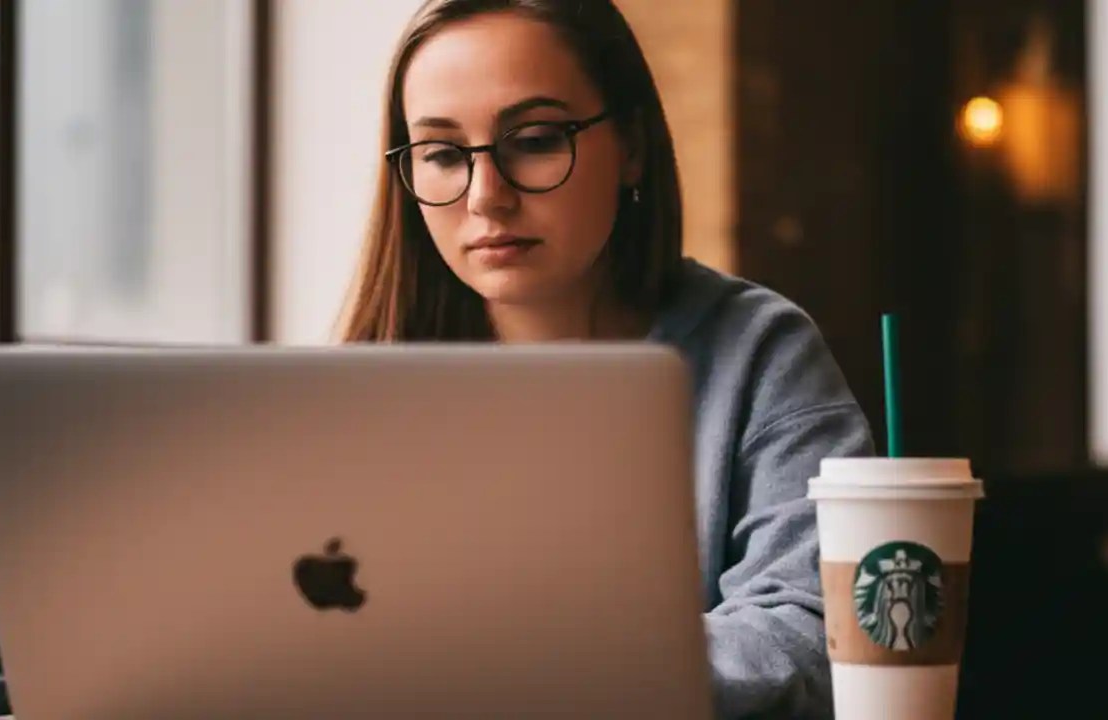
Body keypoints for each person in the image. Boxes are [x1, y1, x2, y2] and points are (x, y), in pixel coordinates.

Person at [338, 1, 875, 717]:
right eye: (440, 153)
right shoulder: (356, 388)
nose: (486, 197)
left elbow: (813, 633)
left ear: (631, 146)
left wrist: (526, 674)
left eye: (532, 140)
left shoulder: (757, 353)